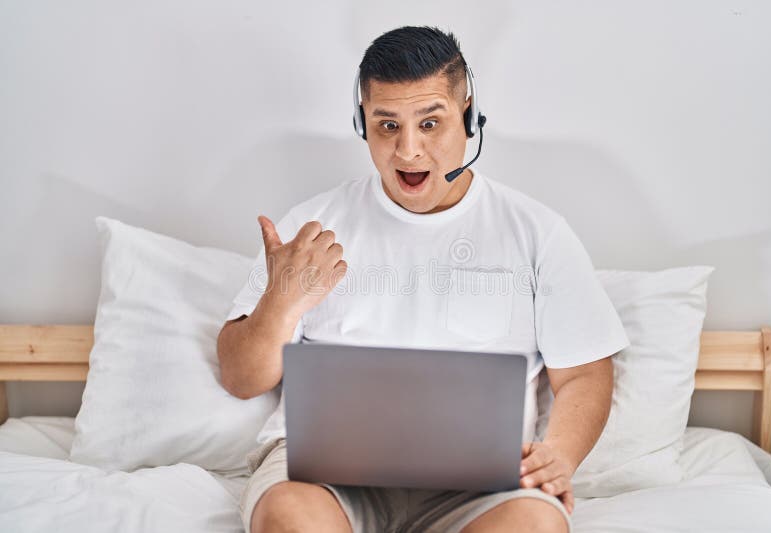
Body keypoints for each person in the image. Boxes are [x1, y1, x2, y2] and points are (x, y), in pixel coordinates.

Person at [216, 25, 629, 533]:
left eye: (430, 123)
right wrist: (281, 304)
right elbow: (240, 378)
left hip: (481, 488)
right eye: (387, 125)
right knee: (288, 517)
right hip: (323, 479)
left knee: (536, 524)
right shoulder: (311, 227)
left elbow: (585, 371)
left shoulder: (537, 232)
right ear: (362, 122)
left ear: (469, 116)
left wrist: (558, 454)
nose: (408, 150)